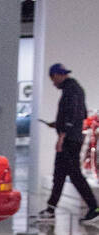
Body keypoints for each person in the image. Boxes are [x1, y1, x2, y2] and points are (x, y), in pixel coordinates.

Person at [36, 64, 99, 225]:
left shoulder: (71, 90)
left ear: (58, 75)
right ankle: (51, 209)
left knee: (74, 174)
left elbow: (73, 115)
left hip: (70, 140)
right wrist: (57, 124)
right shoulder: (74, 89)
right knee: (60, 174)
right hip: (72, 138)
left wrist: (62, 136)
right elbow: (81, 114)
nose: (53, 83)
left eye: (53, 78)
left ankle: (94, 208)